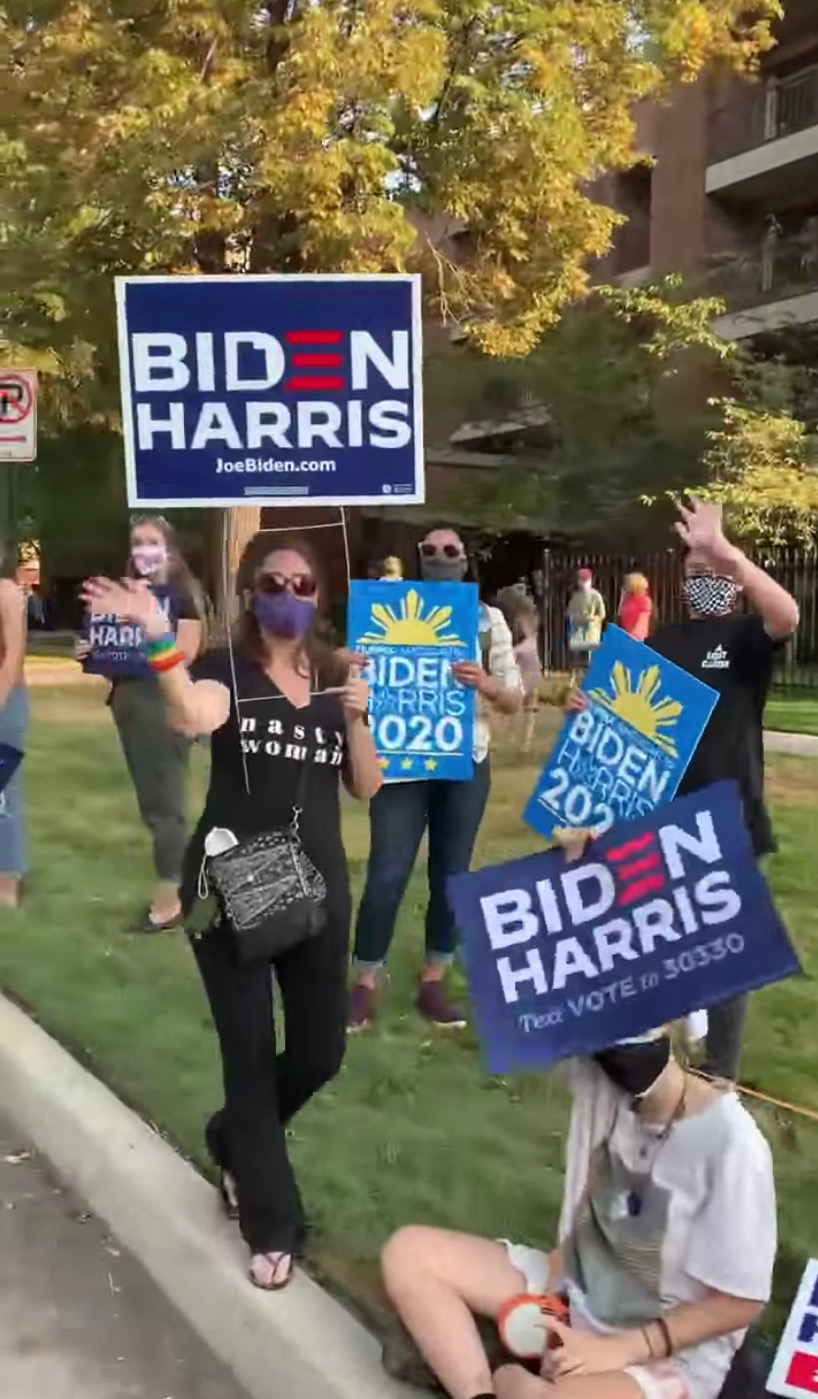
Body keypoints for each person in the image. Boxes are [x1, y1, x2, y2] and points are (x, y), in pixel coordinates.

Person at [82, 533, 382, 1291]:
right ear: (252, 589)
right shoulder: (225, 668)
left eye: (303, 583)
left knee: (319, 1052)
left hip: (314, 890)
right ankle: (271, 1220)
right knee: (249, 1060)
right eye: (274, 580)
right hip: (231, 887)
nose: (289, 592)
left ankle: (232, 1140)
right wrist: (159, 642)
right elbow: (189, 714)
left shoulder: (338, 672)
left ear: (320, 596)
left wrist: (358, 716)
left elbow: (369, 788)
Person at [382, 1025, 776, 1399]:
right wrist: (557, 1287)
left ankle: (512, 1381)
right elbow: (592, 1204)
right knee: (409, 1255)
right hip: (579, 1295)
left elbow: (741, 1301)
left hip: (662, 1347)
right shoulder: (608, 1099)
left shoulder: (732, 1145)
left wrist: (621, 1350)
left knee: (526, 1387)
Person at [348, 526, 524, 1031]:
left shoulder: (488, 620)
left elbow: (513, 698)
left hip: (465, 761)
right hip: (400, 760)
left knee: (452, 873)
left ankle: (432, 980)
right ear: (417, 558)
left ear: (466, 559)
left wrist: (483, 682)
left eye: (451, 551)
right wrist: (350, 665)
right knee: (387, 869)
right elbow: (357, 673)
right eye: (430, 551)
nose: (441, 557)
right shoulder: (384, 608)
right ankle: (364, 980)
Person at [648, 498, 799, 1082]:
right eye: (694, 570)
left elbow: (786, 616)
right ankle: (659, 1050)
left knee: (729, 951)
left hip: (730, 817)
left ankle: (720, 1077)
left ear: (733, 581)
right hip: (665, 816)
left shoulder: (745, 635)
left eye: (714, 572)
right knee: (666, 939)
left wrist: (728, 554)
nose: (704, 579)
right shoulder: (662, 642)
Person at [78, 517, 207, 931]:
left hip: (162, 701)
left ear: (169, 546)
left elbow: (185, 651)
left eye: (152, 542)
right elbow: (109, 648)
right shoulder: (127, 592)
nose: (143, 550)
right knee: (153, 801)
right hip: (128, 699)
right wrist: (91, 651)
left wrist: (148, 635)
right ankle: (182, 886)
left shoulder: (182, 594)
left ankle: (172, 899)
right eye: (137, 542)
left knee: (164, 802)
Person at [0, 562, 28, 907]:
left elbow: (15, 655)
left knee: (3, 793)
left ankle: (6, 881)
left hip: (6, 700)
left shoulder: (8, 592)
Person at [496, 587, 543, 753]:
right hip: (524, 674)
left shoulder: (525, 631)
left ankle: (525, 742)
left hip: (529, 673)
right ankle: (514, 739)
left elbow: (527, 647)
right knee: (519, 707)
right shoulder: (516, 630)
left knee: (530, 707)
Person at [567, 570, 606, 680]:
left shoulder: (596, 596)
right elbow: (569, 612)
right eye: (581, 580)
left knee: (590, 658)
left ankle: (592, 679)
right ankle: (573, 679)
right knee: (575, 658)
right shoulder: (576, 596)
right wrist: (576, 618)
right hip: (577, 631)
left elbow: (602, 614)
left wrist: (592, 618)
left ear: (591, 581)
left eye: (586, 580)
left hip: (591, 631)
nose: (584, 583)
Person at [619, 574, 653, 643]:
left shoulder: (644, 601)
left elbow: (642, 621)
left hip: (637, 637)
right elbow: (621, 614)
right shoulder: (628, 599)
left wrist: (635, 635)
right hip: (627, 635)